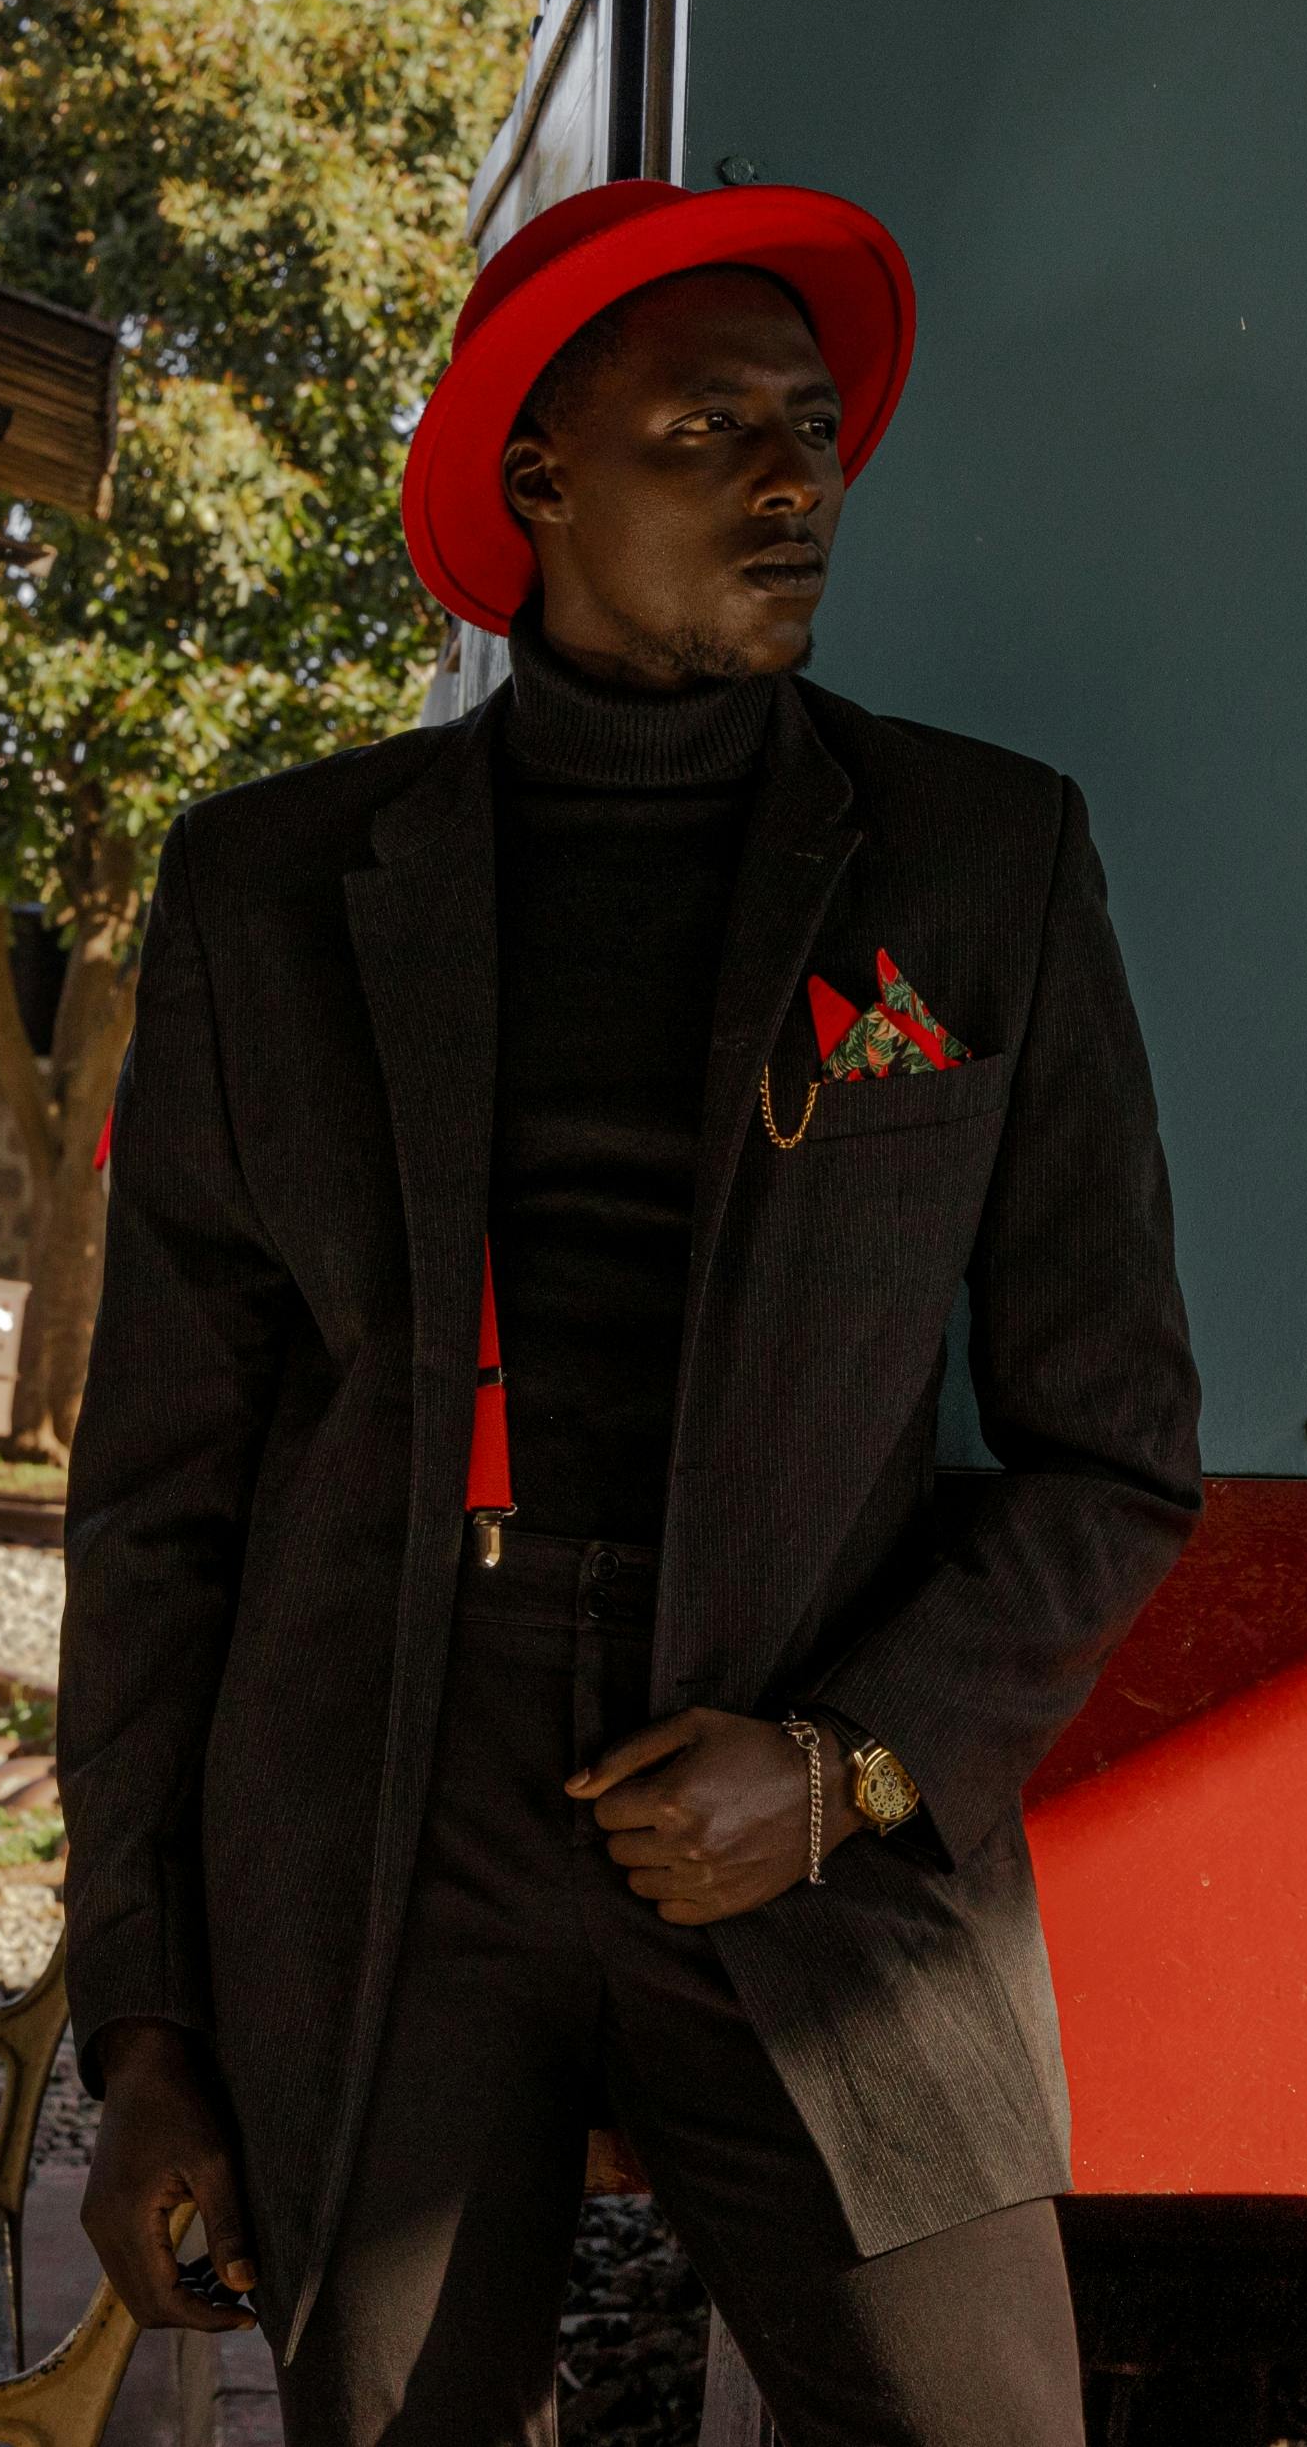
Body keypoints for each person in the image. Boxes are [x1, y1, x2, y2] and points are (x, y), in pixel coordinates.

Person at [59, 178, 1202, 2447]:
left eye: (809, 429)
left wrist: (852, 1761)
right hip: (386, 1805)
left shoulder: (981, 862)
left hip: (805, 1796)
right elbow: (163, 1500)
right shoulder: (273, 889)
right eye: (708, 430)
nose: (791, 480)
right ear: (537, 476)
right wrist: (151, 2027)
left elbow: (1115, 1443)